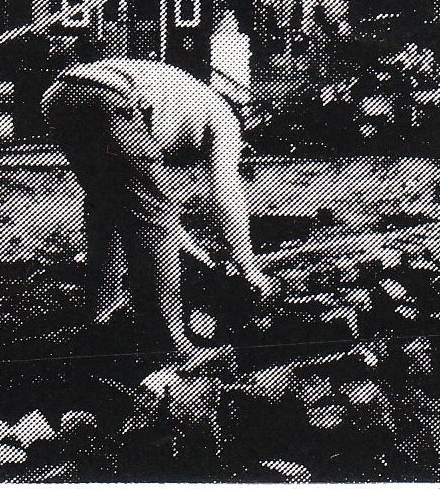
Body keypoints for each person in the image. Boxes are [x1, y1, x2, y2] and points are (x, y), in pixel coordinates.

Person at [40, 58, 279, 358]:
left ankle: (102, 317)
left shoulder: (192, 98)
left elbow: (136, 192)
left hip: (59, 96)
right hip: (109, 97)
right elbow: (226, 195)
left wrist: (186, 243)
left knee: (108, 207)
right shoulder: (225, 118)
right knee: (154, 215)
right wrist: (249, 267)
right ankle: (170, 345)